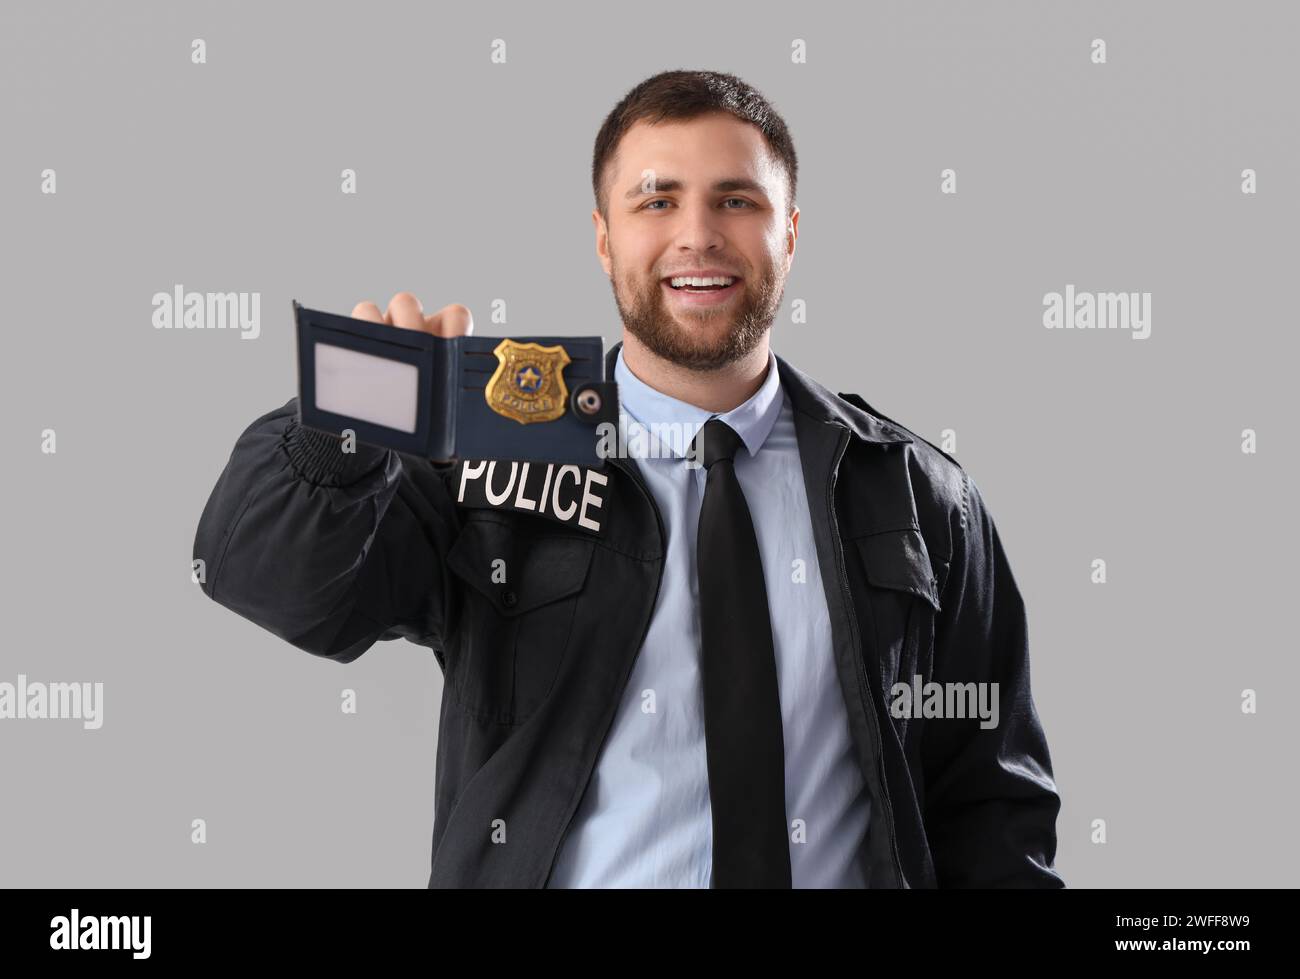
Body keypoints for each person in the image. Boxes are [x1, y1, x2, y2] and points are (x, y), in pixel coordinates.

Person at [193, 69, 1063, 888]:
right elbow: (275, 586)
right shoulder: (492, 459)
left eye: (737, 199)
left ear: (790, 231)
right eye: (657, 199)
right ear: (605, 237)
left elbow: (992, 805)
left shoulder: (915, 494)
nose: (698, 233)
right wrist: (343, 434)